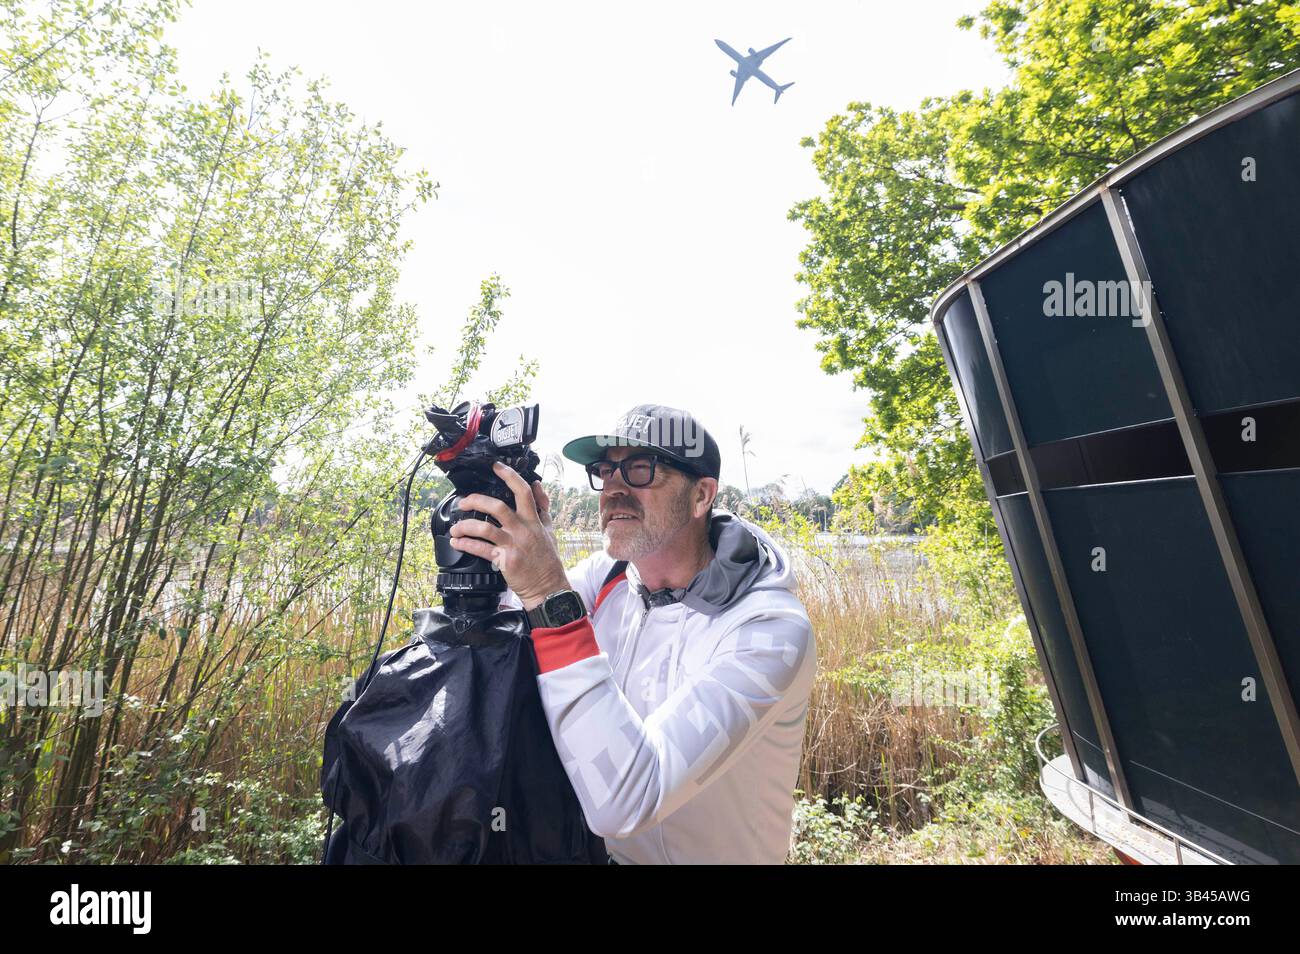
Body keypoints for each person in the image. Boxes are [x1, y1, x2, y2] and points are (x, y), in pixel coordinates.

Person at [448, 404, 816, 864]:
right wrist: (506, 550)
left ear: (701, 496)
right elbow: (511, 634)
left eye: (641, 469)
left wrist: (547, 590)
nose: (615, 489)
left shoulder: (769, 629)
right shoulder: (610, 577)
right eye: (605, 471)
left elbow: (627, 801)